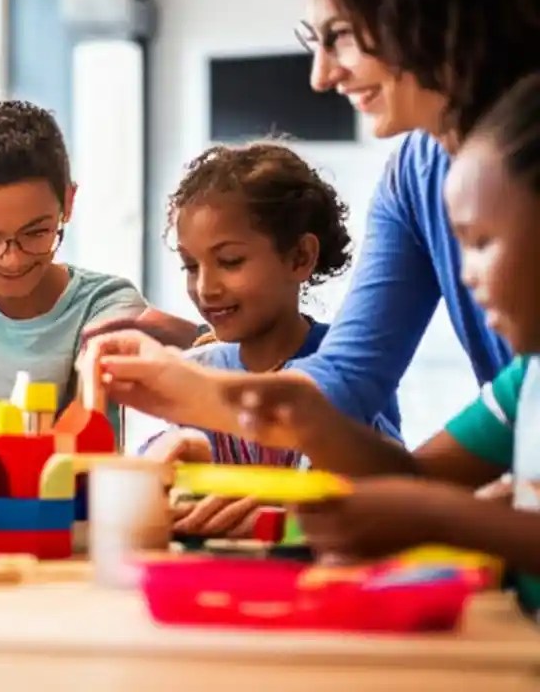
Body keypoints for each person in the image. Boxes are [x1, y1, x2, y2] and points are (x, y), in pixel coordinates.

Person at [82, 0, 540, 438]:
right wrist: (182, 380)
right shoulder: (412, 174)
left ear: (432, 9)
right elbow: (345, 380)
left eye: (340, 35)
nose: (321, 76)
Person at [199, 73, 540, 615]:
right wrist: (313, 426)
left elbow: (424, 497)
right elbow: (415, 479)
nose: (465, 276)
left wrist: (437, 516)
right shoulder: (524, 385)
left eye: (482, 243)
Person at [141, 142, 401, 537]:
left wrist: (277, 520)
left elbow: (391, 495)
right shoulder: (198, 371)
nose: (205, 288)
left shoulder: (352, 371)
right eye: (191, 266)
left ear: (300, 257)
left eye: (230, 261)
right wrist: (159, 465)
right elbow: (160, 483)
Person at [0, 87, 198, 415]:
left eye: (36, 232)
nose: (13, 260)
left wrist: (196, 338)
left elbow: (84, 433)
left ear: (68, 203)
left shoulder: (102, 304)